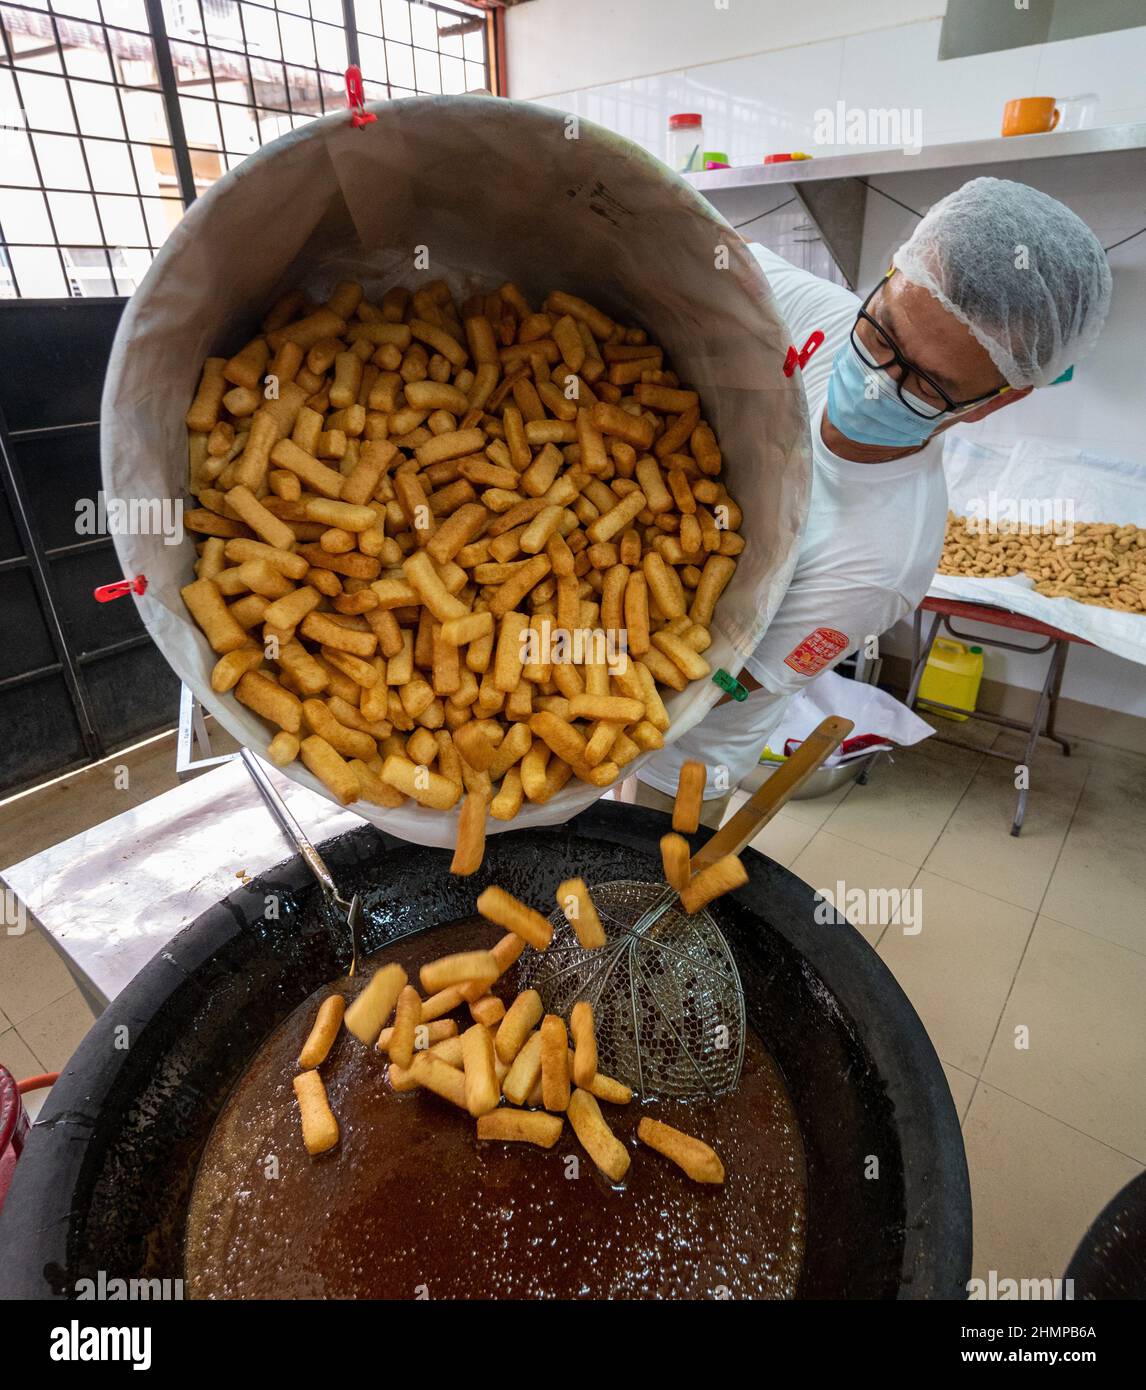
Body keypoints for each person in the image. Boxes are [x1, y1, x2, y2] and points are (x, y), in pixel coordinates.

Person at [631, 176, 1112, 826]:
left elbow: (724, 687)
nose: (879, 382)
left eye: (929, 384)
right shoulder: (820, 316)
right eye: (883, 336)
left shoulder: (880, 564)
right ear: (888, 279)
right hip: (618, 637)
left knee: (648, 877)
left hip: (688, 754)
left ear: (999, 400)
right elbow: (695, 243)